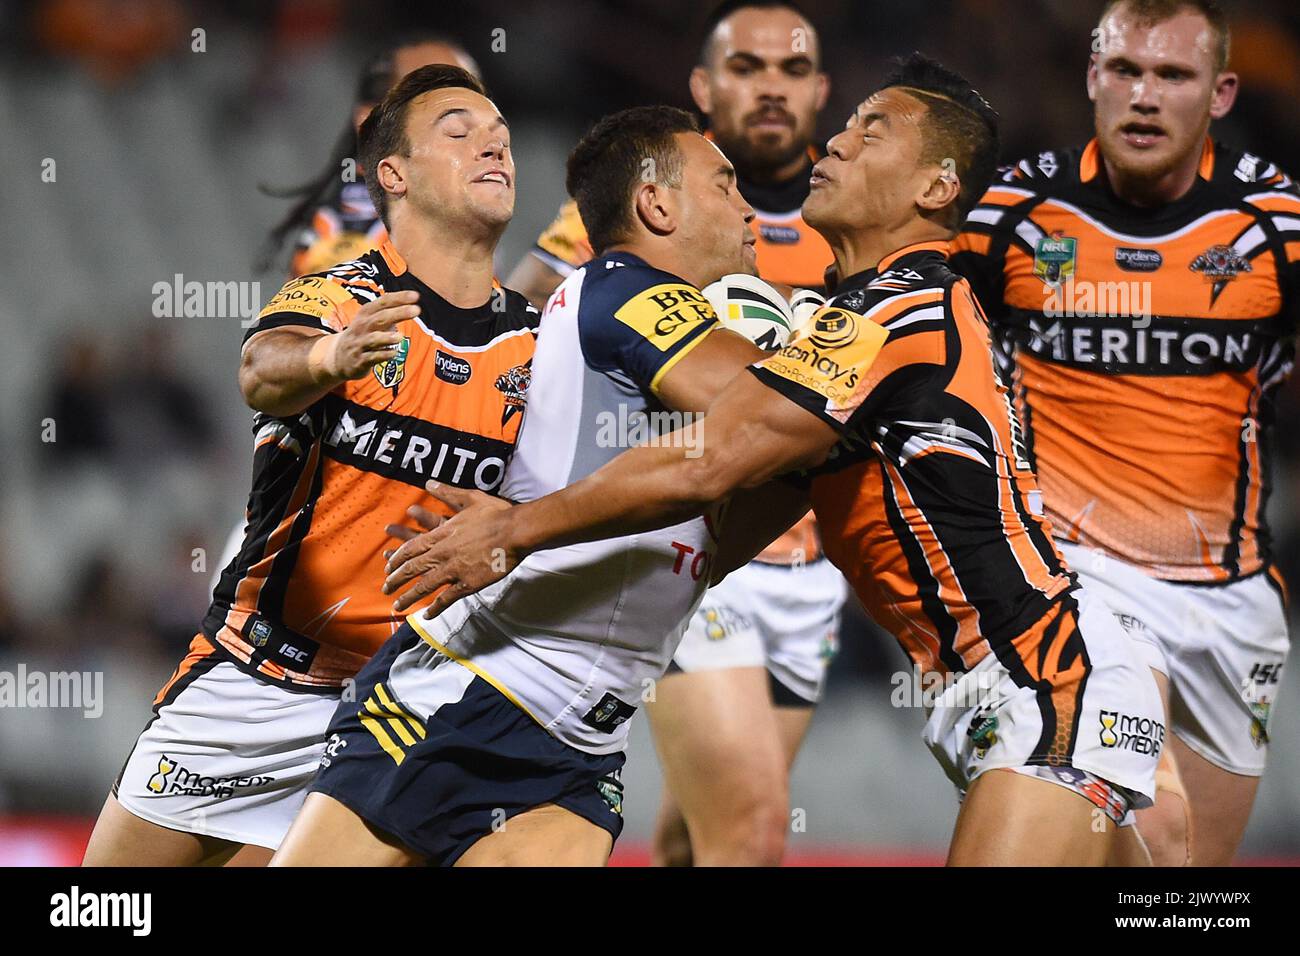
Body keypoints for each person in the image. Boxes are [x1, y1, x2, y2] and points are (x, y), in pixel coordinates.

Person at [385, 54, 1167, 867]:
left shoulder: (895, 309)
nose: (833, 145)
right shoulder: (868, 319)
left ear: (934, 189)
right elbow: (737, 520)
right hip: (1008, 683)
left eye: (871, 134)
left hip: (1043, 678)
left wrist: (515, 530)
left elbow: (708, 460)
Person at [271, 104, 774, 867]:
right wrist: (844, 363)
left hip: (585, 740)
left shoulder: (679, 335)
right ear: (657, 204)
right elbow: (773, 416)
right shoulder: (619, 289)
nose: (747, 206)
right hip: (470, 690)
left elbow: (731, 521)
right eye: (725, 183)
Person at [82, 65, 538, 866]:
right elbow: (264, 368)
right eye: (459, 131)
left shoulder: (542, 347)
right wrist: (334, 355)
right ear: (392, 174)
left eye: (499, 132)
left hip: (398, 705)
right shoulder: (343, 295)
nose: (493, 142)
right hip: (257, 681)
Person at [950, 0, 1296, 865]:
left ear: (1219, 93)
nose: (1145, 97)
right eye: (1126, 72)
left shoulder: (1278, 223)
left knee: (1183, 881)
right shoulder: (1010, 213)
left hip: (1231, 592)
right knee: (1156, 824)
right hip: (1078, 573)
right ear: (1094, 79)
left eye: (1172, 76)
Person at [507, 0, 846, 867]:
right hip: (687, 532)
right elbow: (517, 326)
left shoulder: (849, 215)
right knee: (756, 826)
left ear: (822, 91)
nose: (770, 88)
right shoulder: (645, 206)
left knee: (699, 837)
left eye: (792, 70)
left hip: (806, 561)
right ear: (702, 86)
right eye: (746, 68)